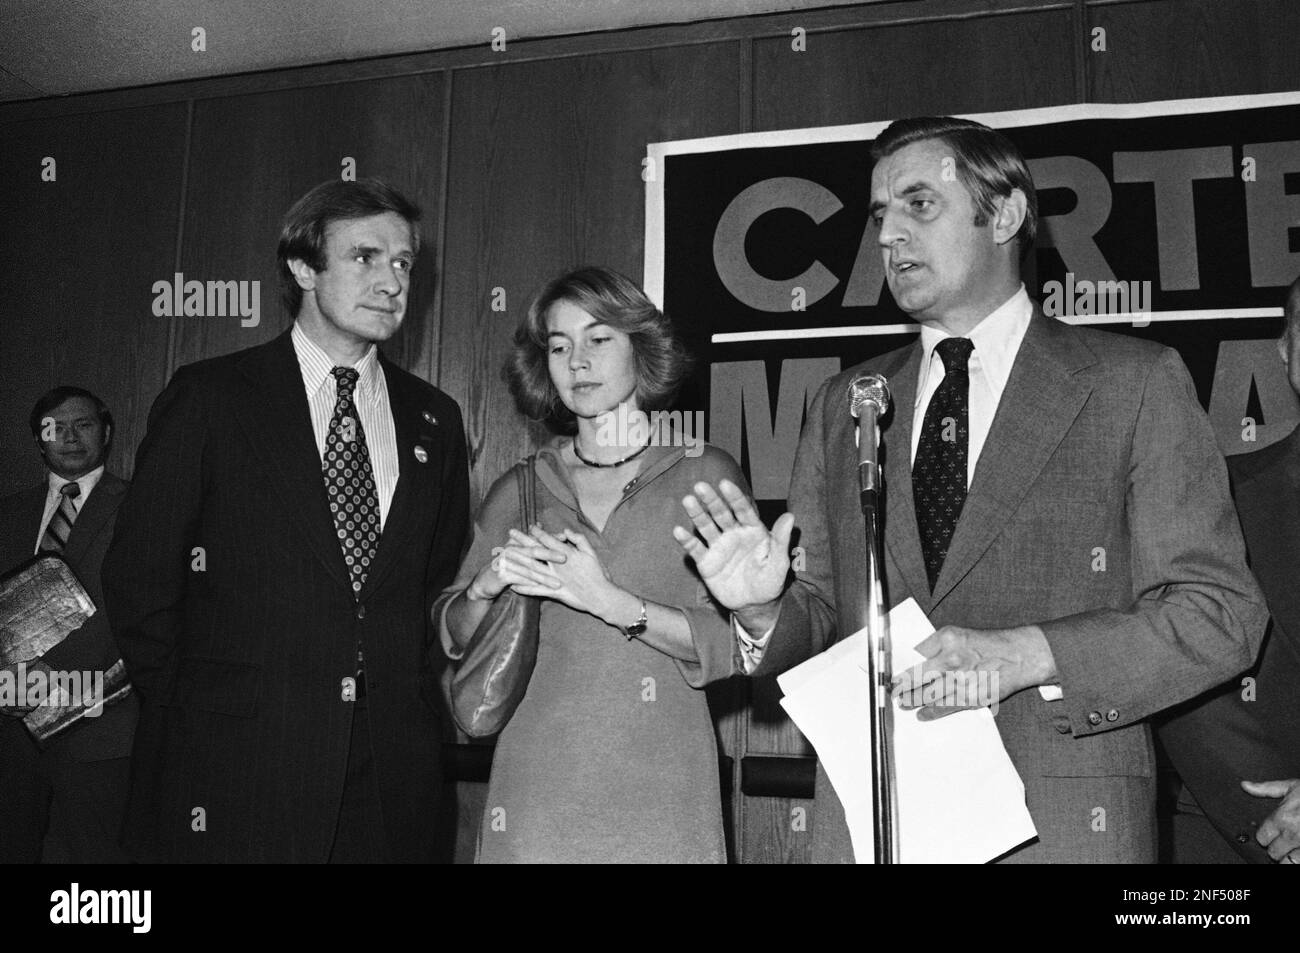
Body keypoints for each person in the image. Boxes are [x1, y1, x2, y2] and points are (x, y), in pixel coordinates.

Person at [673, 116, 1268, 863]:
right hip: (873, 826)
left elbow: (1221, 616)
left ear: (1007, 213)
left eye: (919, 205)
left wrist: (1030, 654)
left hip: (1058, 828)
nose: (888, 235)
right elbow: (824, 619)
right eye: (880, 214)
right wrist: (763, 609)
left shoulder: (1133, 383)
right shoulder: (844, 402)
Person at [102, 178, 470, 863]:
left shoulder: (435, 418)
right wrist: (206, 713)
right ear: (303, 266)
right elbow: (139, 580)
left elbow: (429, 581)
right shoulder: (211, 397)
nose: (392, 280)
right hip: (236, 770)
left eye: (404, 263)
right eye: (365, 256)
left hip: (391, 778)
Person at [437, 266, 740, 863]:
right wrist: (486, 585)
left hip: (666, 791)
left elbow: (741, 645)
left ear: (642, 350)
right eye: (559, 345)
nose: (577, 361)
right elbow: (454, 635)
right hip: (535, 795)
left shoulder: (706, 474)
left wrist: (611, 603)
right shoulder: (520, 489)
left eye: (599, 340)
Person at [1156, 275, 1300, 864]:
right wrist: (1278, 827)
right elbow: (1180, 670)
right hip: (1234, 849)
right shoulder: (1215, 496)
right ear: (1286, 349)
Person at [0, 386, 136, 863]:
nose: (69, 436)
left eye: (83, 425)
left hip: (99, 723)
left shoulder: (142, 509)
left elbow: (132, 611)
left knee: (92, 856)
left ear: (107, 433)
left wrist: (40, 677)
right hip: (10, 724)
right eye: (54, 427)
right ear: (39, 440)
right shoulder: (8, 512)